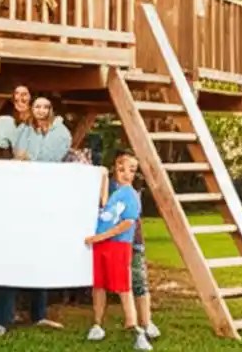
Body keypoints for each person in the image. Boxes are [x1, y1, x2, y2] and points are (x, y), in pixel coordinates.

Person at [0, 92, 68, 335]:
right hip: (19, 196)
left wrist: (30, 159)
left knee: (39, 254)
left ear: (51, 109)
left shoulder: (61, 133)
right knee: (10, 253)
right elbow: (15, 152)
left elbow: (53, 157)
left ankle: (39, 313)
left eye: (46, 106)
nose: (41, 110)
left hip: (43, 198)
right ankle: (2, 318)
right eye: (38, 106)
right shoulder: (23, 130)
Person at [85, 150, 152, 351]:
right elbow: (105, 204)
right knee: (99, 285)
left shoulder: (132, 195)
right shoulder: (116, 192)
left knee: (123, 287)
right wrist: (104, 177)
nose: (125, 173)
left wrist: (99, 237)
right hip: (102, 246)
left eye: (130, 170)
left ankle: (134, 327)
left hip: (118, 246)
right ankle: (97, 324)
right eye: (121, 168)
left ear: (135, 173)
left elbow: (126, 224)